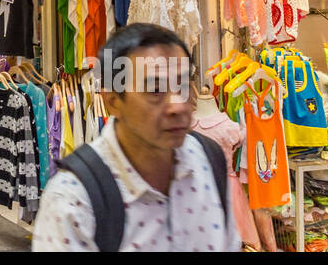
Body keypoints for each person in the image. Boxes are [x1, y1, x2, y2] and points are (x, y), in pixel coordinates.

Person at [32, 23, 238, 251]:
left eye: (182, 85)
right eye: (155, 90)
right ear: (113, 102)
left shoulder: (209, 159)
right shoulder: (73, 200)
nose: (178, 106)